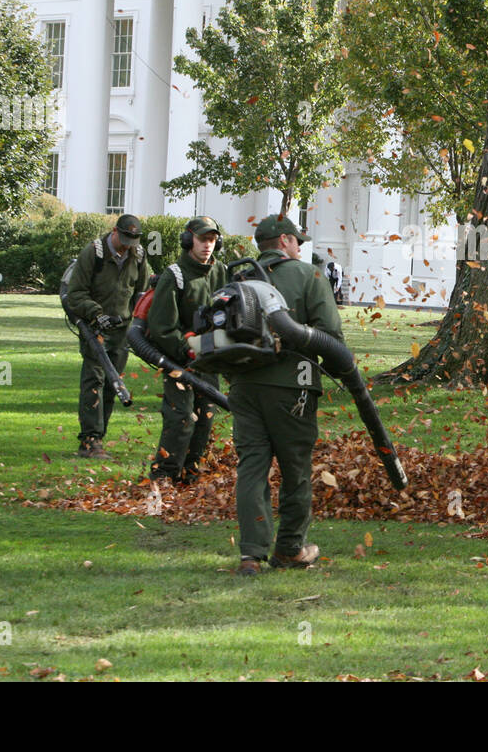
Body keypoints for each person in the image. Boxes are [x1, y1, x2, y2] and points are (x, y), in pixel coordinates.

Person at [230, 214, 343, 576]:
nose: (300, 247)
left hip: (243, 386)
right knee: (295, 471)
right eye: (297, 241)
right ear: (283, 242)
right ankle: (290, 549)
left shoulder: (238, 278)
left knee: (252, 468)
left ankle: (251, 554)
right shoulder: (308, 275)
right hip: (293, 387)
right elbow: (329, 334)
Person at [145, 216, 229, 485]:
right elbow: (162, 327)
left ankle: (189, 477)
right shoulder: (175, 275)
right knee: (181, 418)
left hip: (210, 360)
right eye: (203, 239)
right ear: (188, 240)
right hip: (179, 362)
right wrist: (186, 349)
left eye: (212, 240)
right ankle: (163, 476)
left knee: (204, 419)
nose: (208, 245)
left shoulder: (220, 273)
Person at [65, 214, 150, 459]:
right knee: (94, 381)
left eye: (132, 240)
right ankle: (89, 440)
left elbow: (141, 294)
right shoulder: (93, 253)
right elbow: (76, 293)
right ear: (115, 231)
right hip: (95, 328)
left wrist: (141, 324)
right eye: (124, 239)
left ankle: (99, 437)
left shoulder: (139, 255)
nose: (127, 245)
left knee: (114, 384)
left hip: (122, 329)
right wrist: (96, 314)